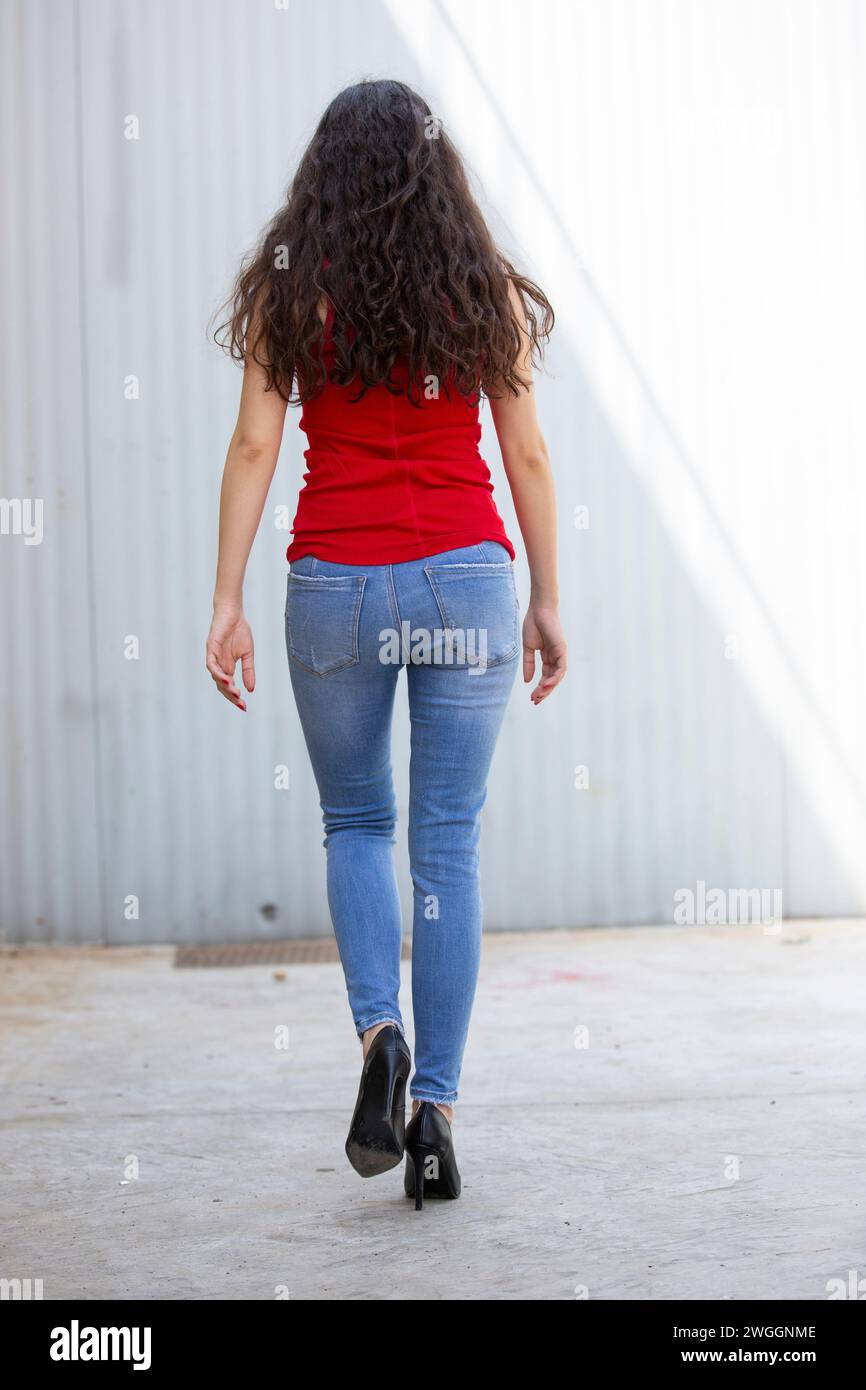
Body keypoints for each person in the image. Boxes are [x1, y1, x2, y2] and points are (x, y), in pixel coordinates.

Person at [207, 79, 566, 1210]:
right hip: (463, 578)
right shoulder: (480, 289)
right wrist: (547, 597)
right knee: (444, 845)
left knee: (356, 820)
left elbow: (257, 448)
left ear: (322, 175)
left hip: (335, 585)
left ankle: (378, 1037)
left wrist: (222, 598)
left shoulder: (287, 291)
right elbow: (530, 458)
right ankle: (435, 1118)